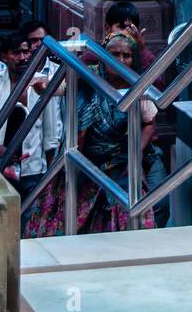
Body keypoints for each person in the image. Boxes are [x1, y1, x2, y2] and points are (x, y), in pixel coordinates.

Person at [23, 31, 168, 235]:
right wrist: (41, 86)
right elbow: (55, 88)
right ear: (102, 55)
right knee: (70, 217)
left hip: (117, 163)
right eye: (114, 54)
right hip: (81, 158)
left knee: (126, 212)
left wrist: (134, 153)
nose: (120, 60)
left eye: (126, 55)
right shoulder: (85, 76)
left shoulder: (136, 86)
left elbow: (149, 122)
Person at [0, 28, 61, 197]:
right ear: (5, 57)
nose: (23, 57)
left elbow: (51, 134)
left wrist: (50, 174)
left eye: (26, 52)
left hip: (33, 170)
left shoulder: (42, 84)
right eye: (16, 53)